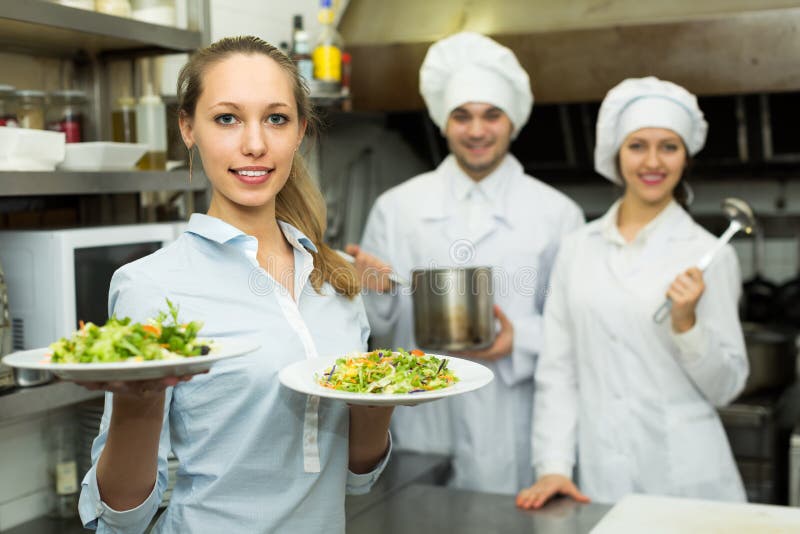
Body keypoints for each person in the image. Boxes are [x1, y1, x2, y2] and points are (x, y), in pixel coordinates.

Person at [77, 36, 393, 533]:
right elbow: (120, 517)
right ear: (188, 128)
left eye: (276, 118)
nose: (255, 144)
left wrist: (380, 402)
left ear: (300, 131)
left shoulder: (335, 284)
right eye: (227, 118)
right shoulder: (151, 286)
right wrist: (140, 403)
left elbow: (355, 478)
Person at [346, 32, 584, 494]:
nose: (477, 130)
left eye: (491, 115)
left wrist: (520, 338)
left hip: (513, 415)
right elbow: (374, 329)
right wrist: (373, 291)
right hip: (423, 416)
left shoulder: (557, 213)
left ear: (512, 121)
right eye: (463, 116)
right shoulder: (397, 208)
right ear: (443, 122)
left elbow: (571, 323)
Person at [516, 76, 748, 509]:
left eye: (669, 146)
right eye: (638, 145)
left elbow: (727, 386)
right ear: (616, 154)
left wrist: (687, 324)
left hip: (687, 477)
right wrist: (553, 466)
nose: (653, 162)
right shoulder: (577, 249)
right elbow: (558, 371)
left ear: (686, 156)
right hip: (602, 473)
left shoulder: (709, 254)